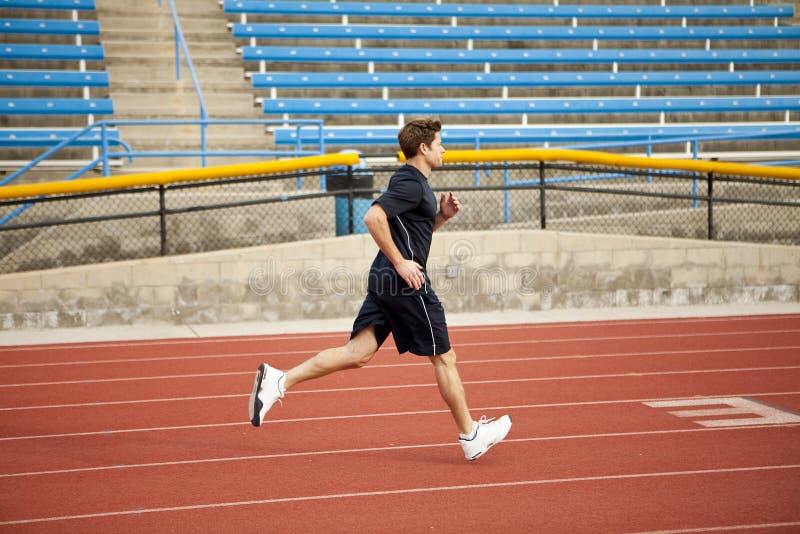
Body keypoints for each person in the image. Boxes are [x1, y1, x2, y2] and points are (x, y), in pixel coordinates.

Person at [249, 118, 512, 461]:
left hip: (386, 279)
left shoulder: (413, 183)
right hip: (404, 282)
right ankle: (471, 435)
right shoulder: (412, 183)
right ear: (424, 148)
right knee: (444, 357)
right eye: (440, 144)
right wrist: (401, 263)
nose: (444, 149)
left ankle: (279, 381)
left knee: (358, 353)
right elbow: (373, 217)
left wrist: (441, 218)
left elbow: (410, 232)